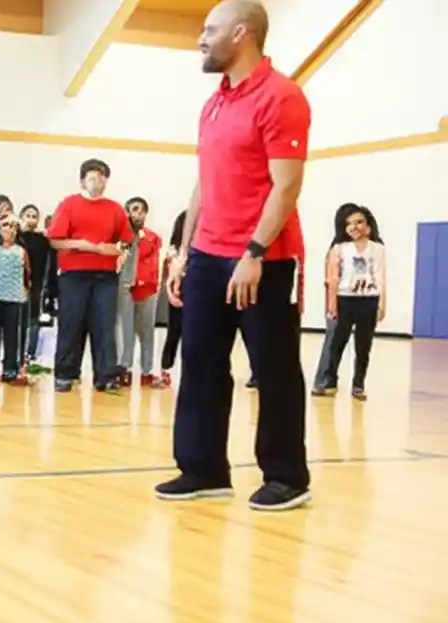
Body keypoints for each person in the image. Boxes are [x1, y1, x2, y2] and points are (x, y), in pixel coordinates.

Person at [156, 0, 312, 511]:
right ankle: (203, 469)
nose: (200, 38)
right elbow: (204, 181)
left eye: (210, 30)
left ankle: (287, 477)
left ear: (241, 33)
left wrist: (254, 252)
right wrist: (184, 252)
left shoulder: (282, 97)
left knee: (274, 369)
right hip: (206, 255)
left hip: (263, 258)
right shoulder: (214, 103)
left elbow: (286, 186)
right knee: (199, 364)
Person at [47, 159, 132, 393]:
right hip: (74, 274)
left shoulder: (115, 209)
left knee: (104, 324)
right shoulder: (69, 204)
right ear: (83, 180)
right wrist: (82, 245)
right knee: (72, 322)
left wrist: (117, 251)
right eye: (93, 177)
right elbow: (54, 240)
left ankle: (106, 374)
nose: (98, 181)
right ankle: (65, 373)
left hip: (105, 275)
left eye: (102, 177)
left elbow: (126, 240)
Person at [319, 204, 385, 400]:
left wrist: (382, 303)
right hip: (345, 299)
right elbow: (333, 279)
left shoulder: (378, 249)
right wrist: (332, 304)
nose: (354, 227)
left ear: (368, 224)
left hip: (368, 300)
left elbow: (380, 277)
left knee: (363, 345)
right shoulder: (339, 249)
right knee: (338, 342)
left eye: (359, 222)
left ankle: (358, 384)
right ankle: (330, 380)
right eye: (349, 224)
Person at [116, 196, 163, 386]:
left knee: (146, 331)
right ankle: (124, 369)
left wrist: (150, 283)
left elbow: (152, 263)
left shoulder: (152, 237)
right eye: (134, 209)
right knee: (124, 329)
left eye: (141, 210)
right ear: (127, 212)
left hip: (147, 289)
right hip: (125, 288)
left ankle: (147, 371)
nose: (138, 213)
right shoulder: (121, 237)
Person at [0, 215, 29, 383]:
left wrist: (25, 292)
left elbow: (27, 275)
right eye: (5, 226)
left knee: (12, 335)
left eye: (12, 226)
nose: (8, 230)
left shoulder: (21, 252)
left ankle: (11, 367)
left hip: (14, 298)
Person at [18, 204, 56, 371]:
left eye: (34, 216)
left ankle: (30, 354)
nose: (31, 220)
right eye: (28, 215)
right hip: (16, 283)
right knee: (16, 319)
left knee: (33, 318)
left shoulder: (42, 239)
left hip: (37, 283)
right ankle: (16, 354)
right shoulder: (16, 237)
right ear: (21, 217)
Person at [158, 210, 187, 387]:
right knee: (174, 332)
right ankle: (165, 369)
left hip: (200, 293)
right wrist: (170, 293)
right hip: (178, 292)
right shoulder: (174, 252)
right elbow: (167, 274)